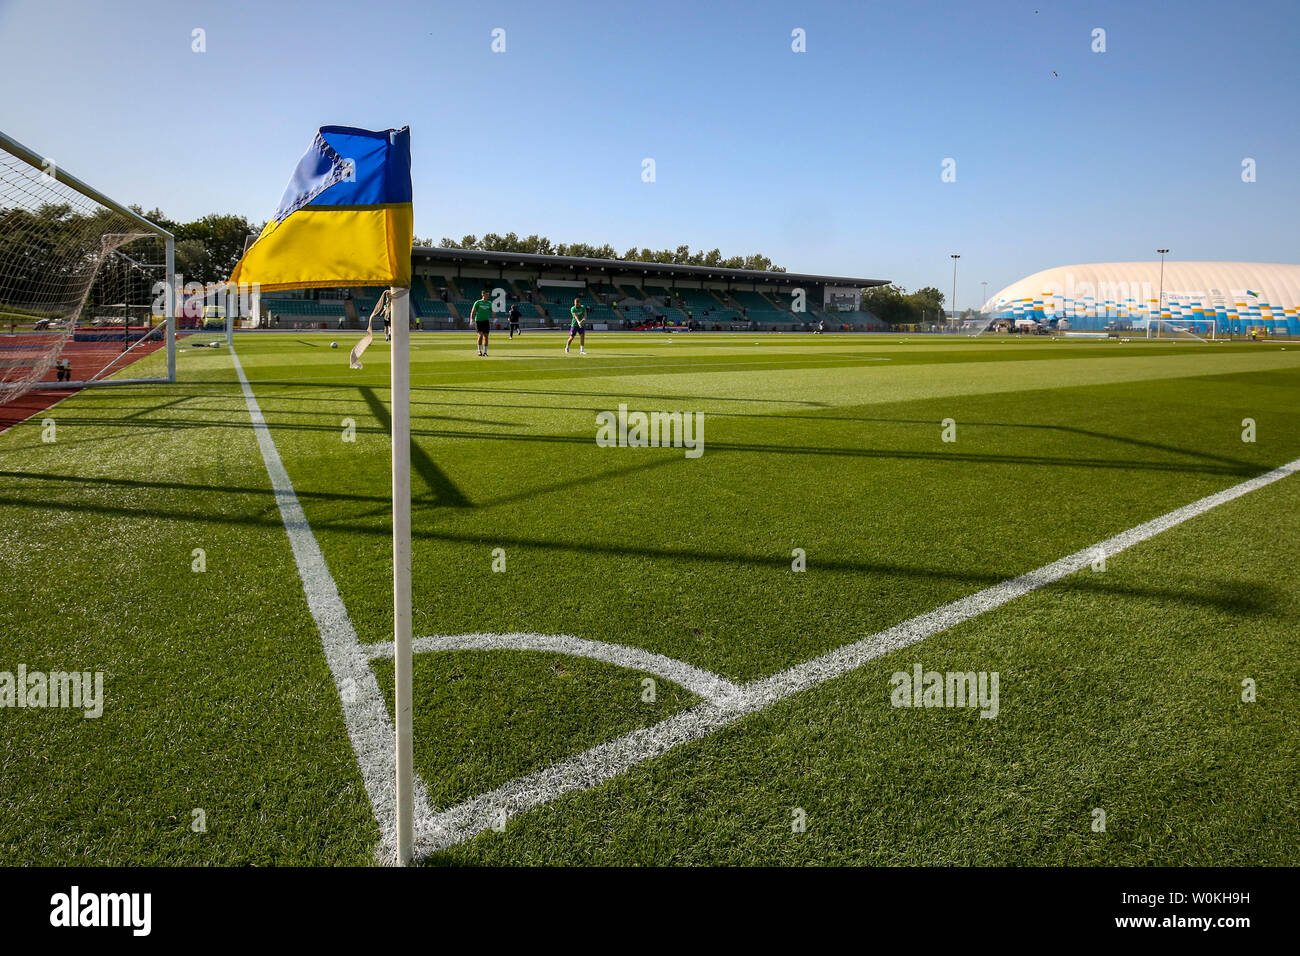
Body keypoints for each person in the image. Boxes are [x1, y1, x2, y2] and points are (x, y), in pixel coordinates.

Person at [470, 288, 493, 356]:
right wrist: (471, 319)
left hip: (486, 321)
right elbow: (473, 311)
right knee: (480, 336)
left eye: (488, 295)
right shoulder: (478, 302)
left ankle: (485, 352)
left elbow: (492, 311)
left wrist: (495, 317)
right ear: (482, 294)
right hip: (478, 321)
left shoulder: (489, 303)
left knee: (486, 336)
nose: (487, 296)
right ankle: (479, 351)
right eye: (486, 294)